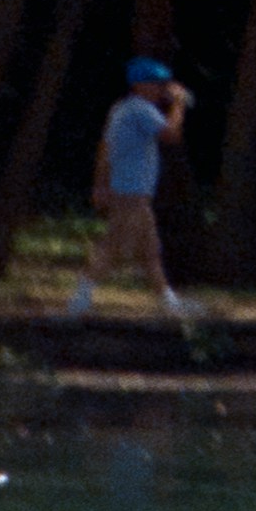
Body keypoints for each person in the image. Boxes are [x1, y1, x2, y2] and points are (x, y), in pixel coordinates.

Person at [79, 52, 191, 318]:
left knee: (150, 251)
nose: (162, 89)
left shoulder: (120, 109)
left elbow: (104, 149)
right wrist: (179, 105)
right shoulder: (142, 110)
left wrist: (100, 184)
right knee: (114, 247)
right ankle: (80, 299)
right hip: (132, 193)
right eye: (157, 83)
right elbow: (171, 135)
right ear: (140, 85)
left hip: (129, 190)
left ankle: (170, 303)